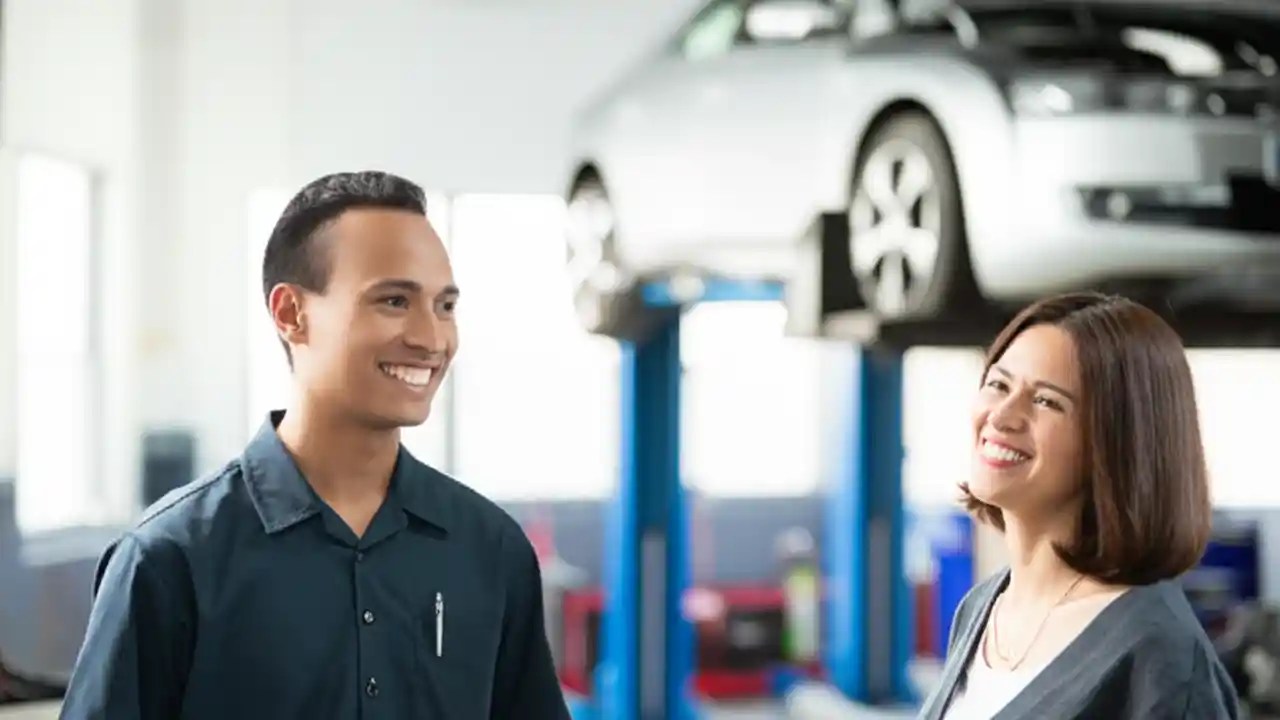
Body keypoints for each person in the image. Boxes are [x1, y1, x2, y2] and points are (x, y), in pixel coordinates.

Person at [59, 171, 571, 719]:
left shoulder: (490, 551)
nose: (431, 338)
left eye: (445, 306)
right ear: (290, 314)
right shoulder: (168, 560)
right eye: (394, 301)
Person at [918, 292, 1240, 720]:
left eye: (1046, 401)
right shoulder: (983, 607)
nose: (1002, 416)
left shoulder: (1161, 656)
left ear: (1118, 442)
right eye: (998, 384)